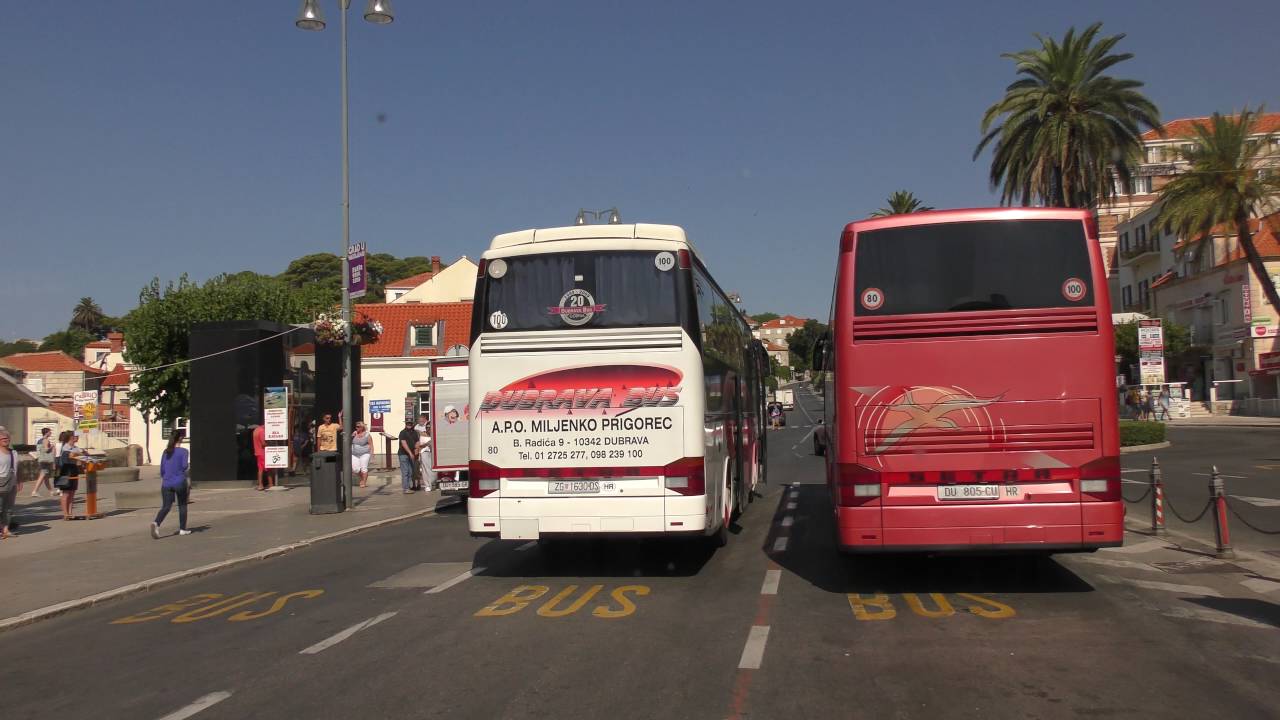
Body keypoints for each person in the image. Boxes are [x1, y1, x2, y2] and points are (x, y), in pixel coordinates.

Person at [151, 429, 192, 538]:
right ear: (180, 439)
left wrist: (166, 477)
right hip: (179, 481)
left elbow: (162, 469)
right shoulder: (184, 451)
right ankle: (182, 529)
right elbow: (184, 466)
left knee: (166, 506)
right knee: (182, 505)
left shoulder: (166, 451)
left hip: (166, 483)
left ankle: (156, 523)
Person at [56, 431, 85, 521]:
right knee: (66, 493)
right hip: (65, 471)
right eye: (75, 436)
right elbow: (70, 455)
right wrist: (78, 454)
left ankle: (70, 513)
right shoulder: (65, 447)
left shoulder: (74, 447)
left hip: (73, 470)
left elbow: (82, 453)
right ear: (71, 438)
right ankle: (65, 514)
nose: (77, 438)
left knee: (72, 493)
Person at [0, 428, 21, 539]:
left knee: (8, 509)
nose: (5, 440)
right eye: (2, 438)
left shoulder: (14, 452)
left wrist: (19, 481)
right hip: (1, 483)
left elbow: (18, 467)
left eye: (7, 438)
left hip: (12, 483)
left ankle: (5, 530)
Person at [31, 427, 56, 497]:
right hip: (46, 460)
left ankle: (51, 491)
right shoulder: (46, 440)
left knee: (46, 477)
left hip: (41, 459)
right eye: (50, 432)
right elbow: (46, 450)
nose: (51, 433)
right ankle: (35, 491)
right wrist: (52, 446)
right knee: (42, 475)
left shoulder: (39, 440)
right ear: (47, 432)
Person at [397, 418, 419, 494]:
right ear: (405, 424)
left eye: (410, 423)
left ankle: (409, 487)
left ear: (413, 424)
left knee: (410, 471)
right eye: (407, 423)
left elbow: (417, 441)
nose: (409, 424)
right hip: (403, 454)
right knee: (405, 471)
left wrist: (416, 449)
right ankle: (405, 488)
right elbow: (404, 443)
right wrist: (410, 453)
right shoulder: (402, 432)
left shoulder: (415, 432)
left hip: (411, 454)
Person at [252, 423, 273, 491]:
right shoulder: (262, 431)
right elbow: (263, 443)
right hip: (263, 452)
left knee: (260, 469)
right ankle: (270, 484)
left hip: (258, 452)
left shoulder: (256, 430)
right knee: (269, 469)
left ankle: (260, 485)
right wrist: (270, 444)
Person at [351, 421, 372, 488]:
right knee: (355, 469)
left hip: (365, 453)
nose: (356, 428)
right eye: (356, 426)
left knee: (364, 468)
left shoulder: (367, 435)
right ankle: (362, 478)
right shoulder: (354, 433)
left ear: (362, 427)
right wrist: (352, 436)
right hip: (354, 454)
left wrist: (372, 453)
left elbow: (371, 444)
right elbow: (349, 441)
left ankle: (364, 482)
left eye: (358, 427)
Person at [414, 413, 431, 491]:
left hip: (431, 452)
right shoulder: (416, 427)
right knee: (424, 468)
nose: (419, 421)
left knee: (431, 469)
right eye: (419, 420)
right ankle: (427, 484)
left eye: (421, 420)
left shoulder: (429, 424)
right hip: (423, 452)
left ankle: (432, 483)